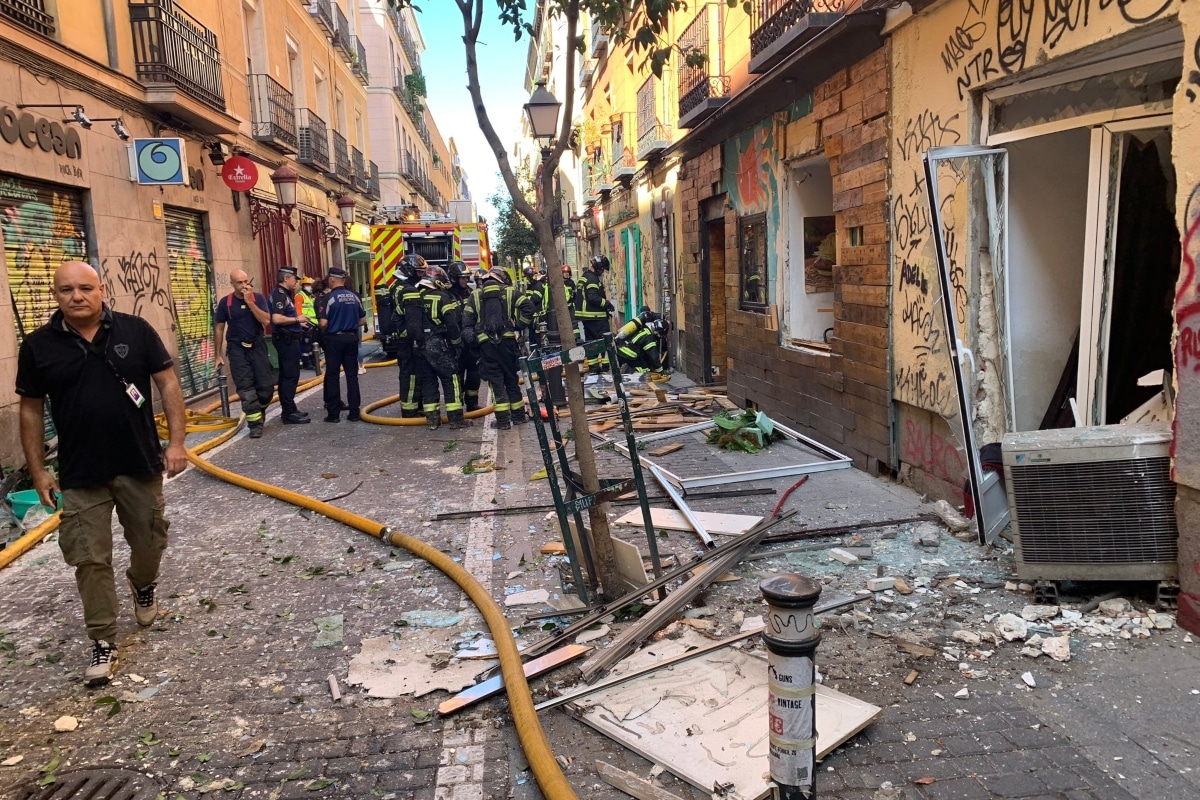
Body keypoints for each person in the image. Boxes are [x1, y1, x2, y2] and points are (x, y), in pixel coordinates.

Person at [15, 261, 187, 686]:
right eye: (67, 290)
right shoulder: (38, 346)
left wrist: (178, 443)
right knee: (90, 560)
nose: (77, 296)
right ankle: (103, 640)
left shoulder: (136, 330)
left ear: (102, 289)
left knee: (149, 542)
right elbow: (31, 409)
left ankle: (142, 584)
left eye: (86, 288)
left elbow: (167, 384)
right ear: (55, 295)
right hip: (80, 472)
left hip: (138, 462)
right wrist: (38, 471)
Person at [462, 266, 535, 429]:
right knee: (511, 379)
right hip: (508, 344)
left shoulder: (475, 295)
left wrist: (475, 341)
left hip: (486, 346)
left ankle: (502, 421)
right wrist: (518, 325)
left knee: (496, 382)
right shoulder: (510, 292)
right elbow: (529, 307)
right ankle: (518, 416)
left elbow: (467, 322)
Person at [214, 269, 274, 439]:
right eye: (239, 283)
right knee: (246, 388)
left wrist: (250, 303)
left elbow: (266, 320)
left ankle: (258, 410)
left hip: (257, 346)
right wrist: (217, 354)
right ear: (232, 284)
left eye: (246, 281)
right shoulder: (226, 303)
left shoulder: (258, 298)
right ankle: (255, 425)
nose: (244, 285)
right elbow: (219, 328)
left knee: (266, 388)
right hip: (237, 349)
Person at [412, 265, 468, 430]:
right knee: (451, 379)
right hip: (438, 343)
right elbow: (451, 323)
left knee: (428, 382)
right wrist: (457, 343)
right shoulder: (441, 297)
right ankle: (456, 419)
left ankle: (432, 420)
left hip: (419, 345)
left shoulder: (414, 296)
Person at [319, 267, 366, 422]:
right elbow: (363, 320)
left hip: (334, 340)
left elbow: (323, 323)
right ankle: (354, 413)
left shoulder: (329, 298)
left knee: (332, 376)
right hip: (351, 338)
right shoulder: (354, 297)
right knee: (352, 376)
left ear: (332, 279)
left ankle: (333, 414)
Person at [269, 266, 312, 425]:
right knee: (290, 376)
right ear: (286, 278)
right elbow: (277, 319)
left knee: (288, 375)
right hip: (286, 340)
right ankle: (288, 412)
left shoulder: (284, 295)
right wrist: (297, 320)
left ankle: (290, 408)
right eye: (294, 278)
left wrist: (299, 324)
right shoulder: (279, 295)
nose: (296, 282)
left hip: (290, 337)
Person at [390, 255, 426, 418]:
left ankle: (412, 405)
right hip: (408, 340)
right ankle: (410, 409)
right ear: (410, 271)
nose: (421, 276)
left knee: (407, 372)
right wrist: (418, 340)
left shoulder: (395, 287)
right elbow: (412, 321)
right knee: (411, 374)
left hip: (401, 337)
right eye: (419, 272)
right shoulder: (408, 290)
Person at [448, 261, 481, 412]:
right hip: (456, 343)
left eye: (467, 278)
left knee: (474, 374)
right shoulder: (447, 295)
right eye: (462, 278)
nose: (466, 280)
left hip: (471, 341)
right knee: (458, 375)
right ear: (454, 278)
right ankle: (458, 403)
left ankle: (472, 403)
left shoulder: (470, 293)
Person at [579, 255, 616, 372]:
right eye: (603, 269)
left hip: (587, 318)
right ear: (599, 267)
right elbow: (592, 297)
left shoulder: (584, 277)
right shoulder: (593, 279)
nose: (603, 272)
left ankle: (594, 367)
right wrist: (607, 304)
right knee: (604, 341)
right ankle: (605, 366)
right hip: (596, 317)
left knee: (591, 343)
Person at [296, 276, 319, 370]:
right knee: (306, 345)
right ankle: (306, 362)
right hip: (306, 324)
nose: (309, 287)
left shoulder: (311, 296)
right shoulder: (300, 296)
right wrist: (300, 322)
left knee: (312, 345)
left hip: (313, 323)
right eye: (307, 285)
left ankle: (313, 361)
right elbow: (297, 311)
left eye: (311, 285)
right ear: (303, 286)